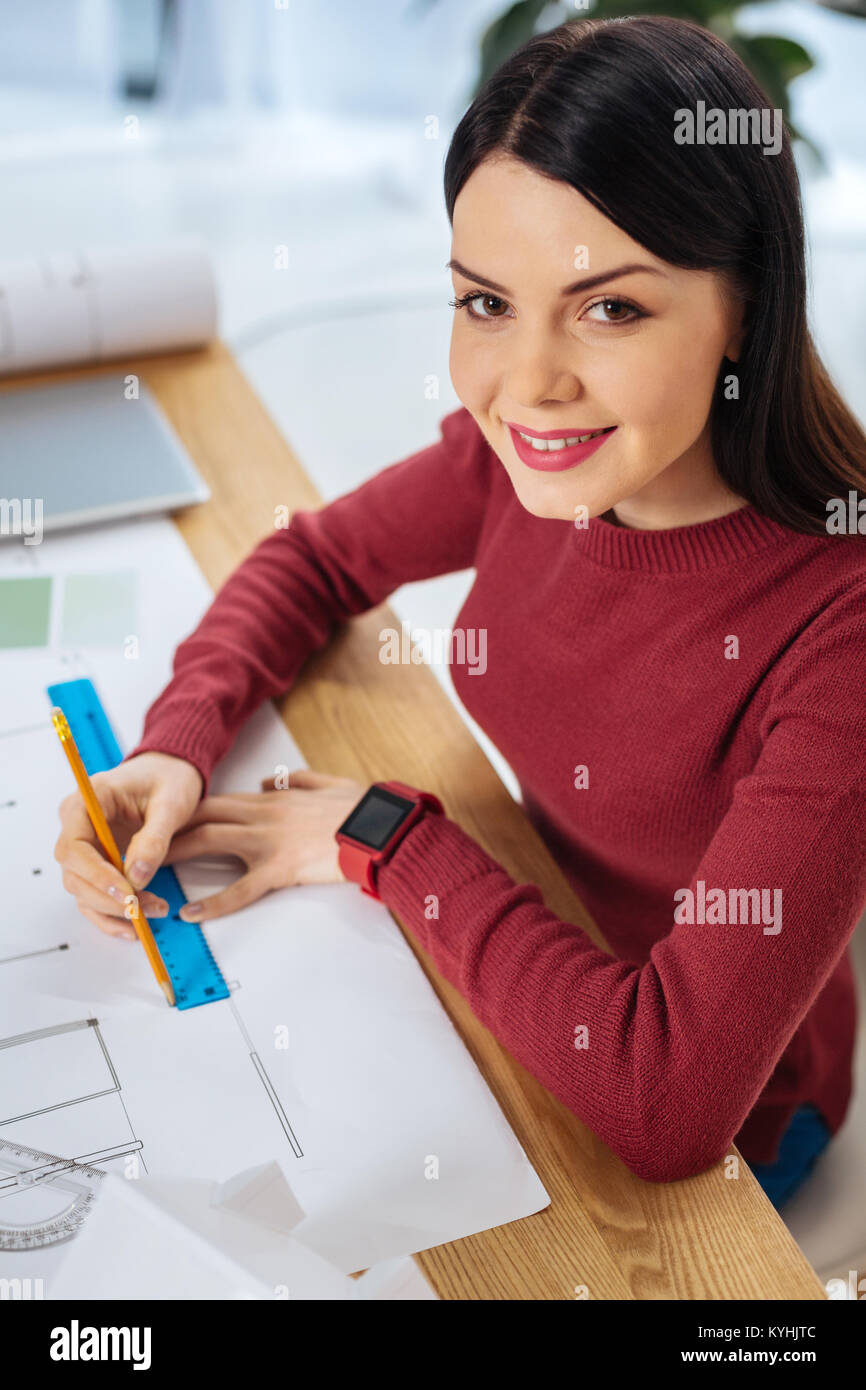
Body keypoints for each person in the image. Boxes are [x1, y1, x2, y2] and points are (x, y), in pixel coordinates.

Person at [54, 15, 866, 1206]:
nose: (525, 384)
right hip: (513, 945)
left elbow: (666, 1101)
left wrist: (387, 838)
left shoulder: (835, 630)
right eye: (485, 303)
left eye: (610, 309)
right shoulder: (533, 461)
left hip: (729, 1125)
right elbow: (314, 560)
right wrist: (178, 740)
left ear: (743, 306)